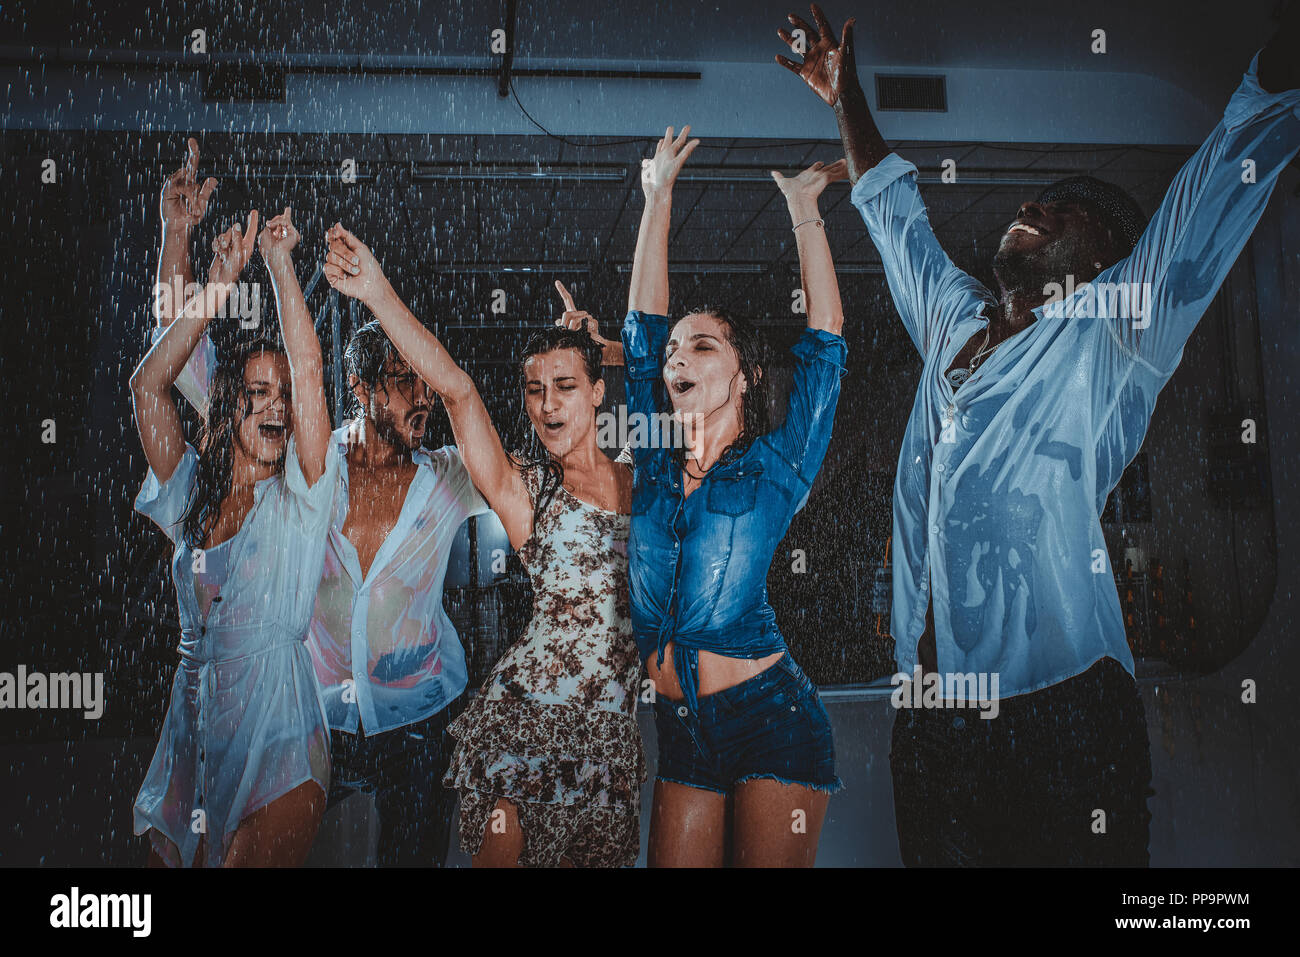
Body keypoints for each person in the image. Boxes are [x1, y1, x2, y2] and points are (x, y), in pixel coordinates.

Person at [777, 3, 1300, 865]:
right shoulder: (955, 323)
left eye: (1065, 209)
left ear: (1102, 264)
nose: (1033, 204)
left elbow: (1215, 184)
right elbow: (895, 213)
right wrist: (843, 95)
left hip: (1063, 714)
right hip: (933, 718)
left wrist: (1275, 76)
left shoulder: (1115, 334)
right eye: (1042, 198)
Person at [152, 143, 491, 867]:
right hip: (311, 712)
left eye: (422, 384)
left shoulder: (451, 477)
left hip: (419, 714)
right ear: (362, 390)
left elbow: (513, 451)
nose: (420, 397)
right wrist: (176, 239)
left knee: (413, 860)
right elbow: (185, 367)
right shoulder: (309, 462)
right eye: (402, 382)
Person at [321, 223, 644, 868]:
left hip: (607, 741)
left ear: (598, 392)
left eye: (566, 386)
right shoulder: (524, 491)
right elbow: (460, 390)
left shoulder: (648, 482)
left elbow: (692, 393)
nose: (547, 406)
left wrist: (609, 348)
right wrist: (377, 291)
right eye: (534, 389)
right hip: (515, 722)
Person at [622, 125, 849, 867]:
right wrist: (658, 198)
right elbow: (639, 333)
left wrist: (805, 209)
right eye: (676, 350)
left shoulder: (778, 466)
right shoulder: (653, 456)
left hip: (769, 720)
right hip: (680, 728)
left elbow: (825, 342)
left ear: (745, 374)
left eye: (704, 345)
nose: (678, 356)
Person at [130, 205, 337, 867]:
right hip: (194, 732)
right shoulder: (192, 491)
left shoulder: (300, 499)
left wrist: (279, 266)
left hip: (279, 732)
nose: (280, 404)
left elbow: (309, 371)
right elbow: (147, 386)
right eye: (259, 391)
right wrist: (217, 280)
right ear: (229, 405)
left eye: (285, 394)